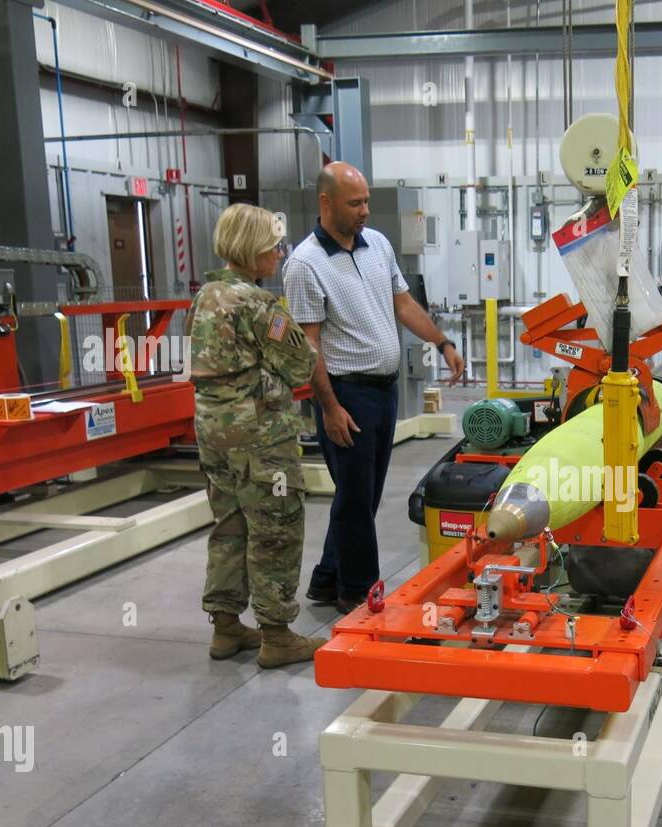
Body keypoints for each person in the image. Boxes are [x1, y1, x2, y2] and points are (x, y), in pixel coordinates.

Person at [283, 163, 464, 614]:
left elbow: (403, 304)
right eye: (355, 203)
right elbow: (309, 346)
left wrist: (441, 341)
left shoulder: (377, 245)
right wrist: (329, 407)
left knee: (360, 494)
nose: (365, 210)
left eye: (366, 201)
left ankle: (326, 578)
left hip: (383, 392)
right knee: (357, 496)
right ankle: (358, 591)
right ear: (326, 203)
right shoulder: (305, 264)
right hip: (346, 394)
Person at [188, 203, 324, 666]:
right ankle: (277, 635)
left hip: (213, 433)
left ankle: (226, 628)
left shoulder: (205, 295)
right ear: (252, 248)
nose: (280, 254)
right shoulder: (259, 304)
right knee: (276, 529)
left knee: (229, 527)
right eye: (274, 244)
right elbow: (301, 363)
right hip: (260, 437)